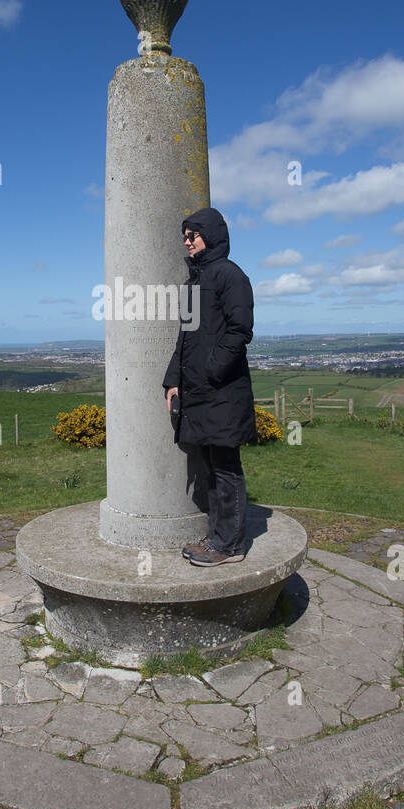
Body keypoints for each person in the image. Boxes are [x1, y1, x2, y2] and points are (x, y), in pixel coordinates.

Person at [162, 207, 257, 565]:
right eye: (185, 237)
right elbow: (184, 339)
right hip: (201, 394)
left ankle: (230, 546)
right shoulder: (195, 284)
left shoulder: (230, 276)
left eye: (194, 236)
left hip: (222, 392)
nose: (187, 242)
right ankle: (218, 536)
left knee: (226, 469)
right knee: (212, 469)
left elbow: (240, 331)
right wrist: (173, 381)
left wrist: (211, 372)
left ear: (212, 236)